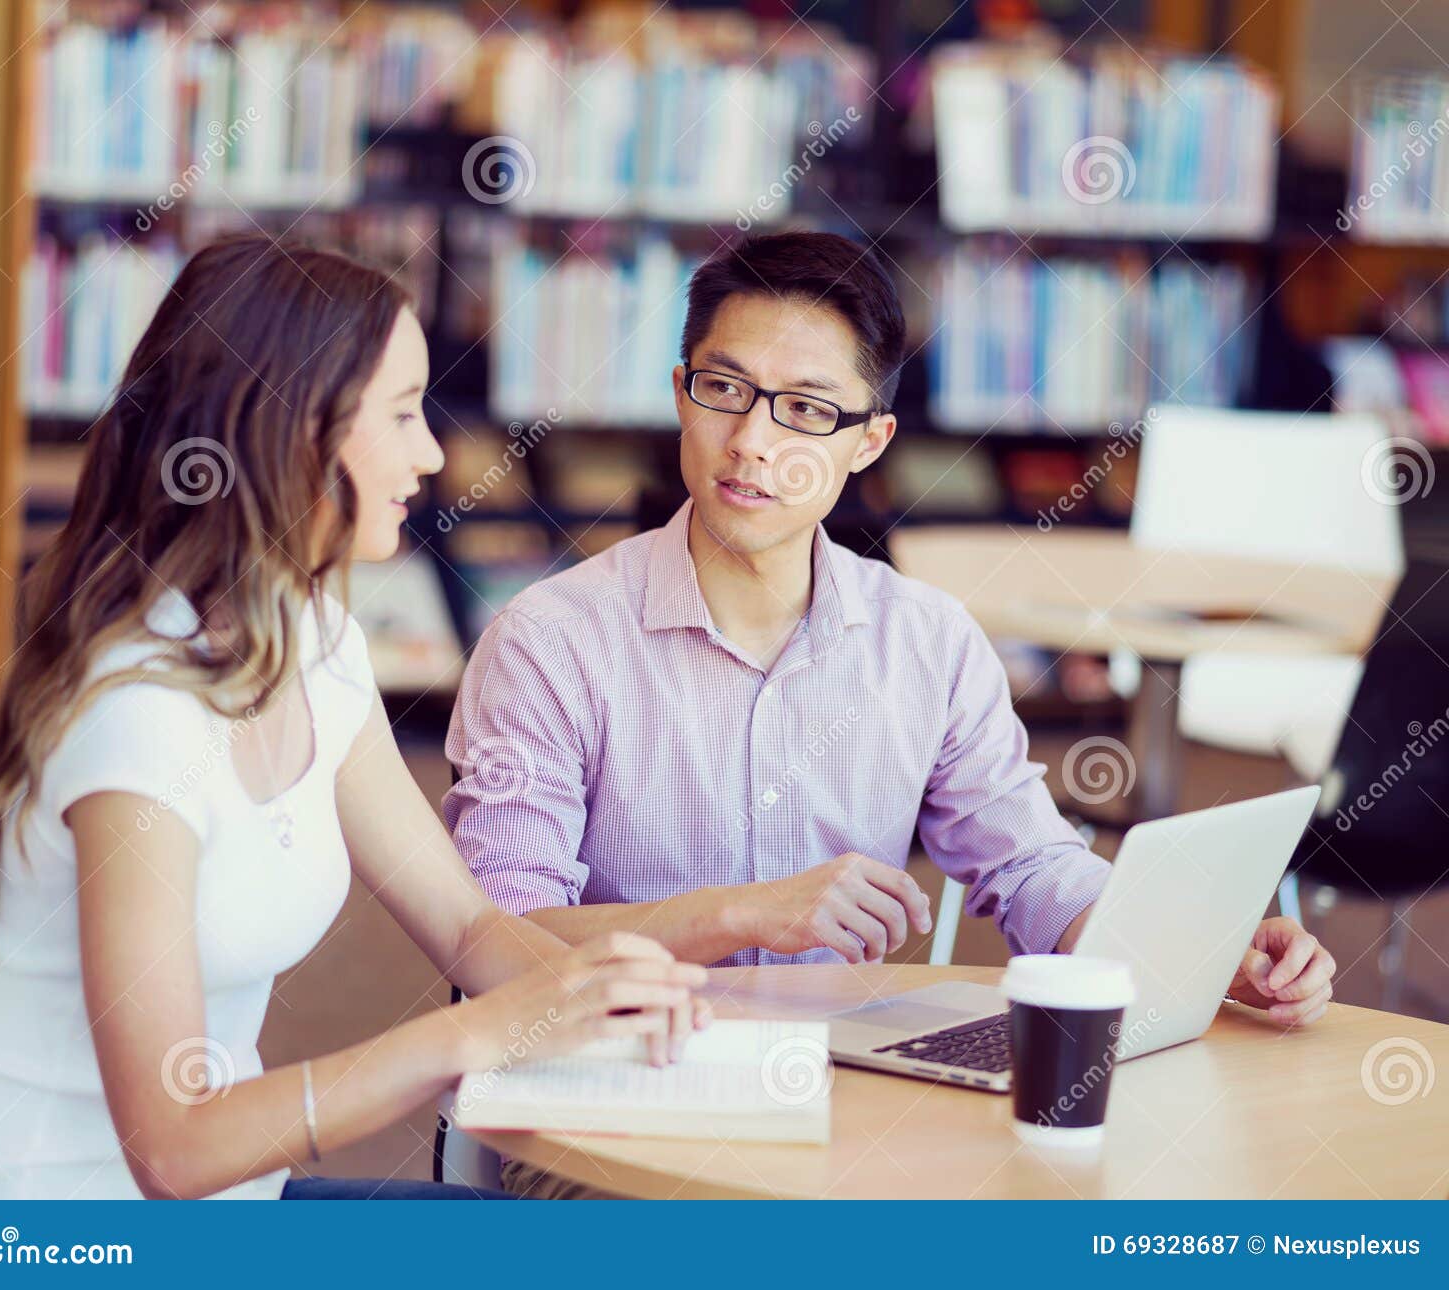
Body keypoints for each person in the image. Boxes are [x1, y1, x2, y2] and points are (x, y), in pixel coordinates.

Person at [445, 233, 1336, 1194]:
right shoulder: (553, 642)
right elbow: (503, 940)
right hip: (609, 1110)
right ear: (679, 393)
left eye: (808, 410)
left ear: (869, 440)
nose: (753, 441)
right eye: (725, 389)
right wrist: (739, 916)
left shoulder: (926, 641)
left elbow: (1028, 864)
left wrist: (1204, 954)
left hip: (838, 1097)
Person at [0, 235, 708, 1201]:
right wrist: (471, 1036)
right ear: (293, 430)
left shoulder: (314, 639)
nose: (431, 454)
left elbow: (464, 925)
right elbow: (172, 1152)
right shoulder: (136, 720)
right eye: (402, 414)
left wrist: (608, 1004)